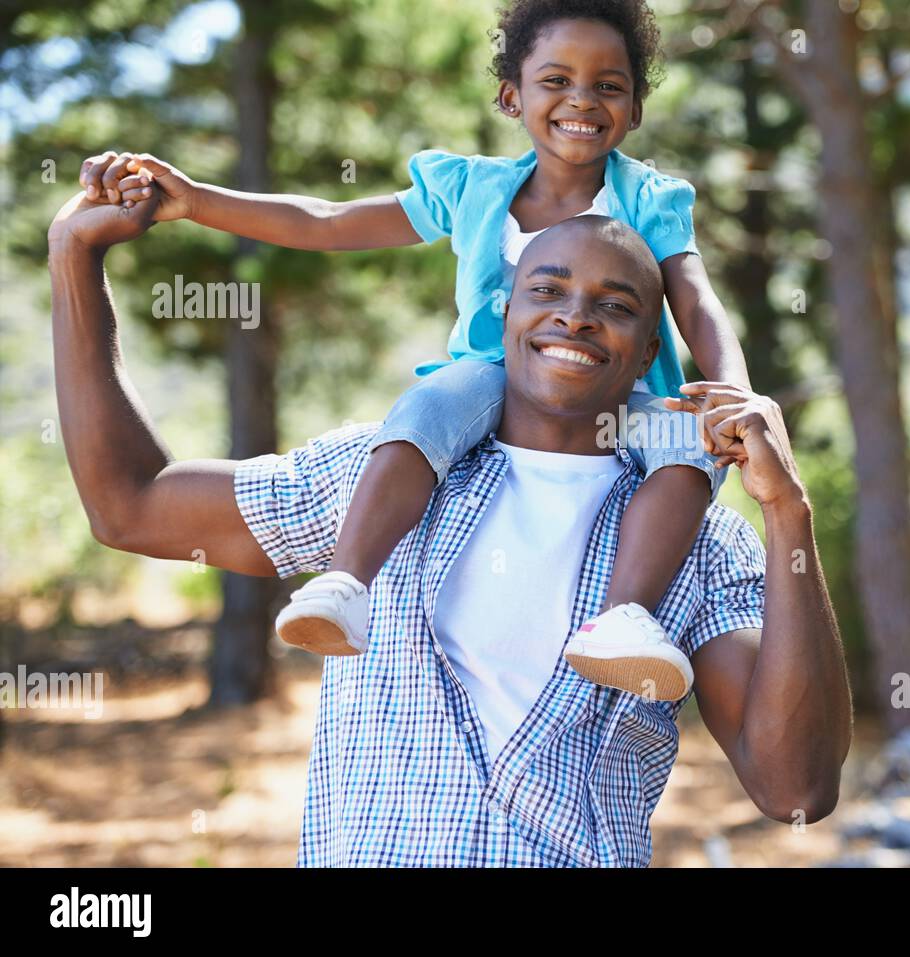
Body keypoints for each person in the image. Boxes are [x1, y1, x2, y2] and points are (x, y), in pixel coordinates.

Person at [48, 185, 852, 866]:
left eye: (614, 306)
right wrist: (74, 261)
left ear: (648, 353)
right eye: (549, 290)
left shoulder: (701, 543)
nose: (575, 318)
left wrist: (789, 513)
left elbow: (795, 790)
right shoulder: (384, 477)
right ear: (503, 314)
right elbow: (132, 504)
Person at [76, 0, 749, 704]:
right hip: (490, 378)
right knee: (424, 411)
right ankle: (346, 582)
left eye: (609, 86)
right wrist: (197, 201)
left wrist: (732, 385)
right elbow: (332, 221)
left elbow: (695, 298)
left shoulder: (648, 198)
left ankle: (621, 617)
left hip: (619, 390)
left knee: (684, 447)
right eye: (556, 80)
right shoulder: (473, 189)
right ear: (511, 95)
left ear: (636, 108)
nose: (581, 99)